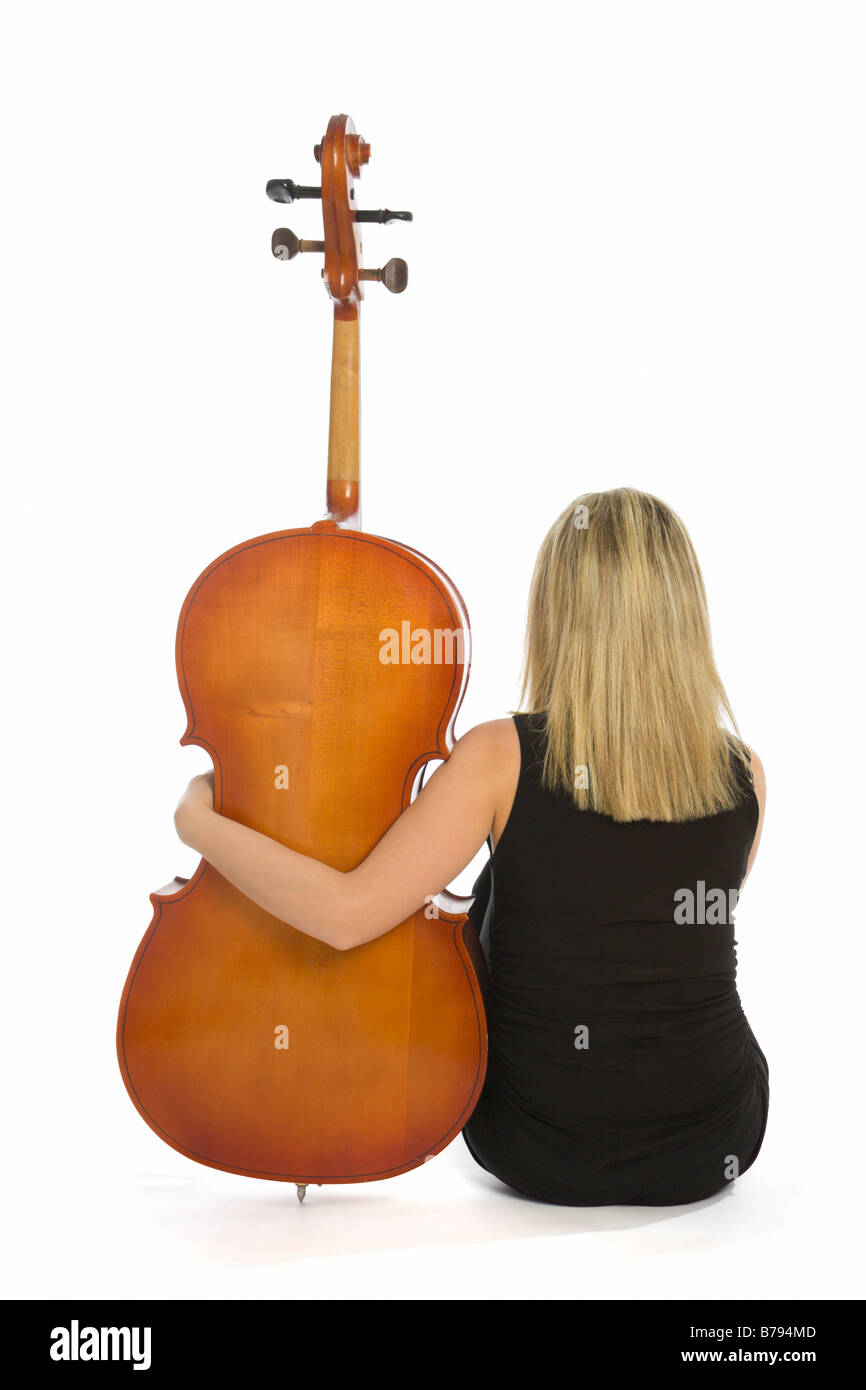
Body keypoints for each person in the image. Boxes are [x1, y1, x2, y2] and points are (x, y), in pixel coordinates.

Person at [174, 487, 768, 1206]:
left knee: (495, 901)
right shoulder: (746, 773)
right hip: (717, 1138)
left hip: (540, 1145)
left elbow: (345, 914)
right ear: (685, 614)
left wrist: (199, 823)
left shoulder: (500, 758)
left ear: (556, 611)